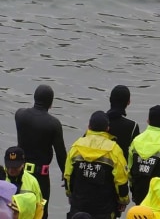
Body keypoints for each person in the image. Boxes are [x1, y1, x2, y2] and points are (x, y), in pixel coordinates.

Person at [65, 111, 130, 219]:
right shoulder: (114, 149)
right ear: (107, 129)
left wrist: (70, 194)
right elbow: (121, 180)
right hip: (104, 208)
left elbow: (68, 175)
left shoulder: (76, 146)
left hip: (79, 206)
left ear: (89, 126)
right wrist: (123, 200)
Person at [14, 85, 65, 216]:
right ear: (51, 103)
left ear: (34, 98)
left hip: (19, 171)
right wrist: (67, 175)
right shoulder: (53, 124)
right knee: (40, 212)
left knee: (16, 209)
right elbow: (60, 154)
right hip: (40, 176)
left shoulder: (19, 115)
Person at [3, 148, 43, 219]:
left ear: (23, 164)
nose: (11, 170)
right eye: (9, 166)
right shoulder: (1, 179)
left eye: (15, 167)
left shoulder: (32, 181)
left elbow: (39, 209)